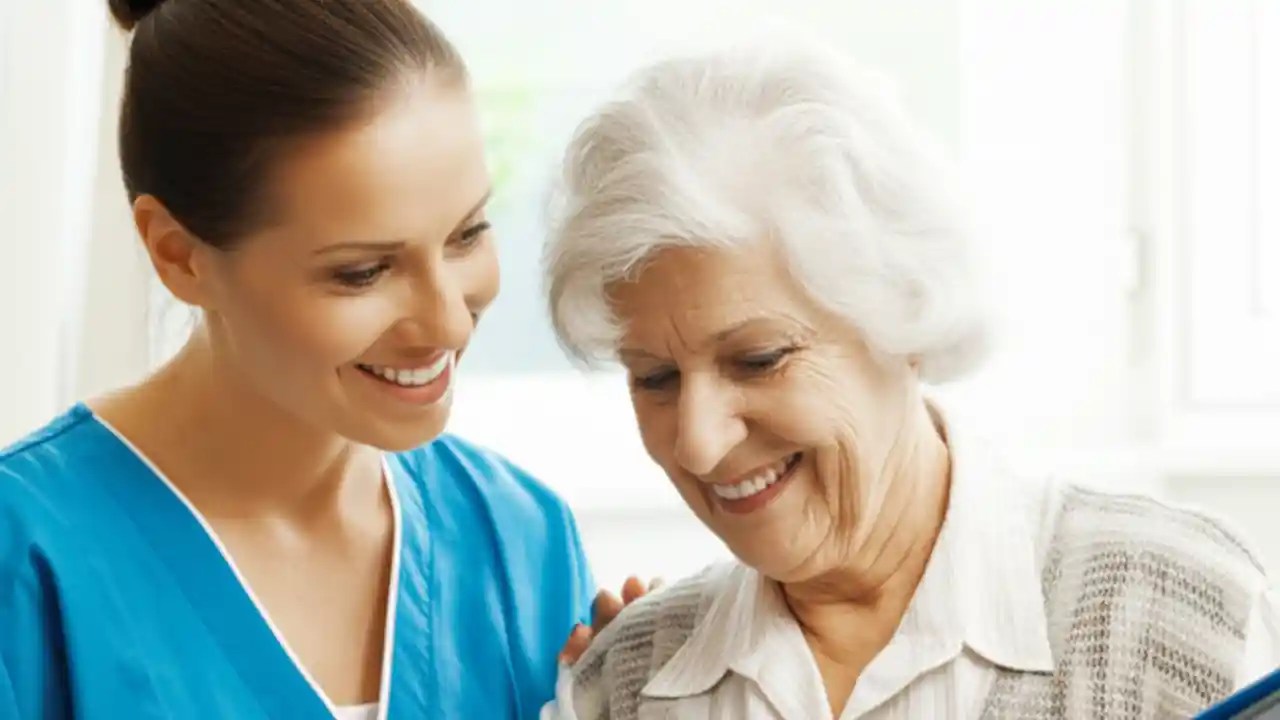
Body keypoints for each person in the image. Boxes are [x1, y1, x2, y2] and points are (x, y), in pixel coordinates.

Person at [538, 39, 1280, 719]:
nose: (696, 444)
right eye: (656, 378)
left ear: (903, 317)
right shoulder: (623, 685)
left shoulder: (1185, 617)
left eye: (758, 359)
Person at [0, 1, 637, 718]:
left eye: (467, 234)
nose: (449, 319)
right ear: (179, 256)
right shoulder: (25, 562)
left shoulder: (520, 540)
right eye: (363, 272)